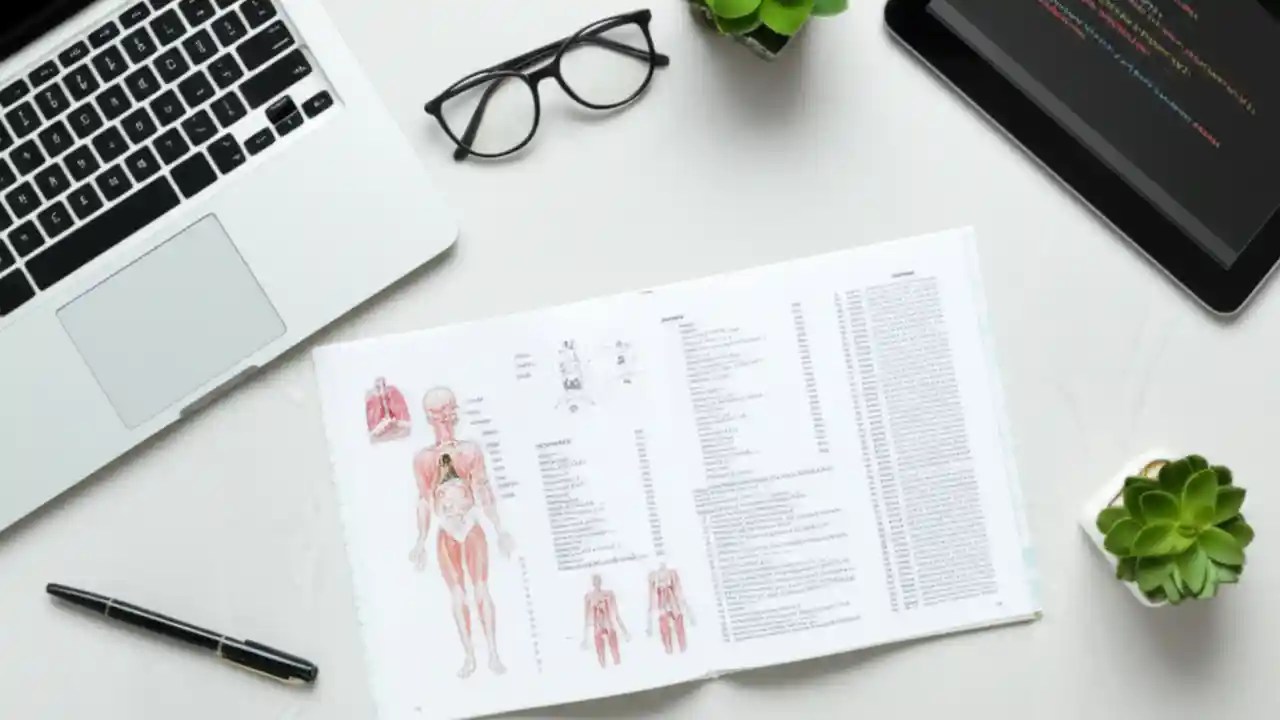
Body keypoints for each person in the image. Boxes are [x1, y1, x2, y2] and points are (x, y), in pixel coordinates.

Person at [408, 387, 514, 678]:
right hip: (446, 529)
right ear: (429, 417)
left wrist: (499, 528)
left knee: (481, 589)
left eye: (448, 409)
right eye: (438, 412)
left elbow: (482, 489)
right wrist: (420, 539)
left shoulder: (469, 450)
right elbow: (424, 499)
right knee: (457, 593)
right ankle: (470, 656)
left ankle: (492, 652)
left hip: (470, 525)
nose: (445, 417)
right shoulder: (424, 459)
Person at [581, 574, 628, 668]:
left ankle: (617, 665)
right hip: (598, 626)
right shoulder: (589, 596)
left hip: (608, 624)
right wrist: (585, 639)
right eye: (595, 581)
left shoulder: (608, 594)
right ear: (593, 583)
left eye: (598, 580)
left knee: (615, 651)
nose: (597, 583)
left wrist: (624, 631)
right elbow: (586, 618)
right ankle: (604, 667)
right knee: (601, 653)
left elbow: (616, 614)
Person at [647, 563, 693, 654]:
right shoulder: (653, 576)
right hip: (661, 601)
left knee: (677, 621)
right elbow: (651, 595)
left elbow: (679, 590)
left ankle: (682, 645)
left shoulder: (672, 573)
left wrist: (686, 608)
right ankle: (668, 647)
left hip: (672, 599)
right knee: (664, 625)